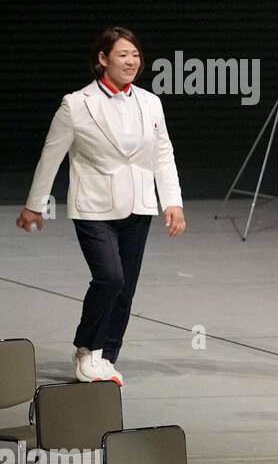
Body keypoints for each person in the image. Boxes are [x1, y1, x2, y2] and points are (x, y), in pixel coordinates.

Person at [16, 26, 186, 386]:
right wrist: (34, 205)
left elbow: (162, 153)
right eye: (123, 54)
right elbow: (52, 155)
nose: (131, 61)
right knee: (110, 277)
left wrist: (172, 201)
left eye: (136, 55)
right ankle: (85, 348)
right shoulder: (76, 104)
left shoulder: (150, 102)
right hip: (93, 206)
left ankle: (106, 356)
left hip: (139, 206)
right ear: (103, 59)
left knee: (126, 287)